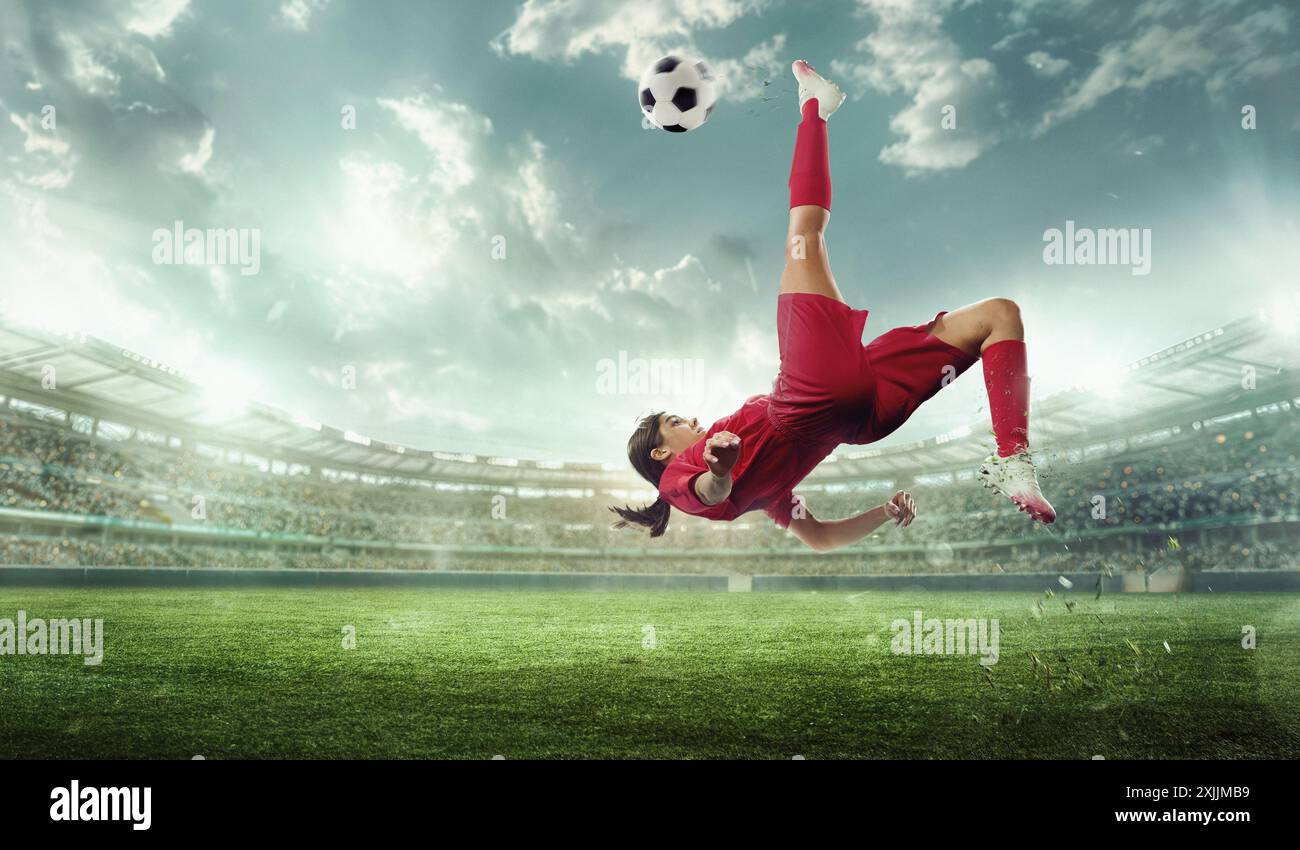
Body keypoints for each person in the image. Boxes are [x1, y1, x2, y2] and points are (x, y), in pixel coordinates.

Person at [610, 60, 1055, 552]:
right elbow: (709, 492)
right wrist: (719, 470)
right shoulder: (679, 476)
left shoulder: (764, 493)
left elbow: (819, 537)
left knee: (999, 315)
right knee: (804, 237)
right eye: (675, 422)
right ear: (661, 451)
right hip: (812, 402)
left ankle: (1014, 460)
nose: (689, 419)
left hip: (864, 415)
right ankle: (815, 107)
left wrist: (883, 513)